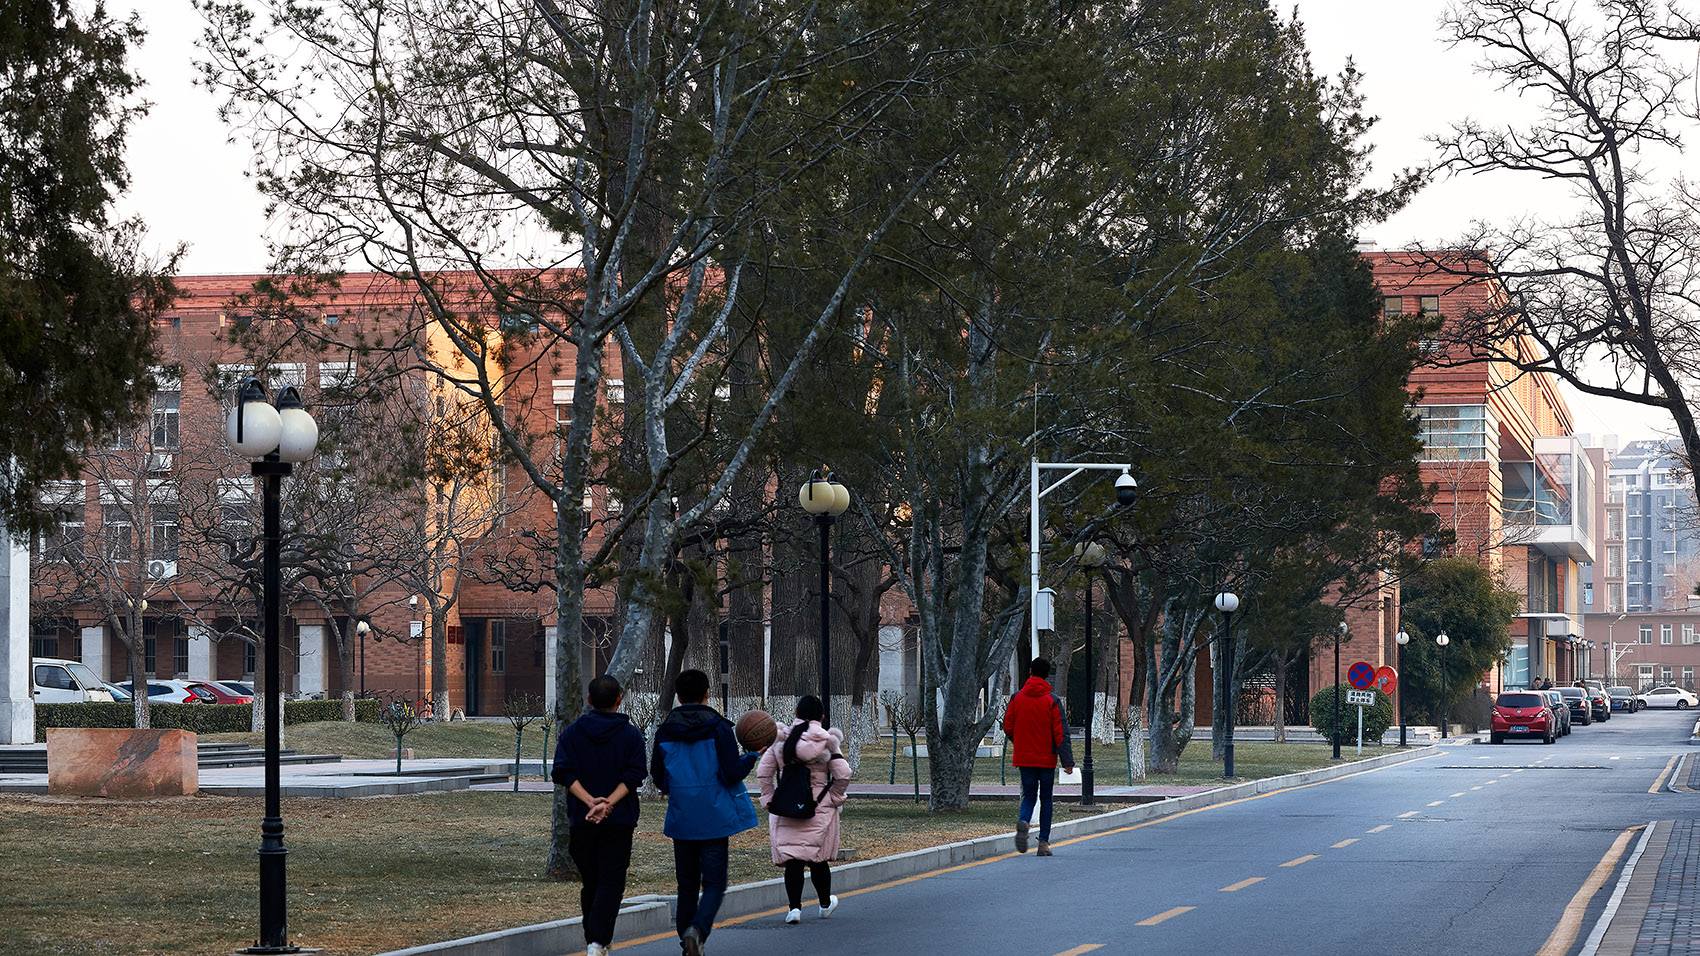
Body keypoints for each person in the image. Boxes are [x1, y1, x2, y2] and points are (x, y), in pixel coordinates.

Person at [651, 669, 761, 955]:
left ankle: (687, 941)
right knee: (713, 883)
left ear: (677, 696)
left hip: (682, 817)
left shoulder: (664, 730)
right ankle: (697, 931)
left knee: (686, 886)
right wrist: (751, 756)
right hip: (714, 817)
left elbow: (658, 777)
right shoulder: (719, 728)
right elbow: (731, 773)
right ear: (708, 693)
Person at [551, 674, 647, 956]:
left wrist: (591, 801)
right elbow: (634, 775)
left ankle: (593, 938)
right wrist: (608, 804)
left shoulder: (572, 733)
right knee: (611, 881)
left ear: (589, 700)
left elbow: (563, 772)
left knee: (591, 881)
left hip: (582, 818)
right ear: (619, 699)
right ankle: (598, 941)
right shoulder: (631, 735)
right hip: (619, 821)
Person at [757, 695, 852, 925]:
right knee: (818, 859)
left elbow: (764, 772)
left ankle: (794, 909)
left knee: (793, 858)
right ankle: (824, 904)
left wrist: (769, 798)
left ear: (796, 713)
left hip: (786, 804)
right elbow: (843, 774)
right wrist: (835, 797)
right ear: (821, 716)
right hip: (819, 804)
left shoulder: (780, 739)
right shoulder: (828, 742)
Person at [1002, 657, 1074, 857]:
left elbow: (1007, 726)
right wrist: (1067, 762)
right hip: (1047, 758)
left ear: (1031, 672)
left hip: (1025, 757)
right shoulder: (1052, 700)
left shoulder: (1017, 698)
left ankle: (1024, 821)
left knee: (1029, 795)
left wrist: (1019, 741)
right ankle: (1043, 842)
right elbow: (1061, 733)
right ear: (1047, 675)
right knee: (1046, 798)